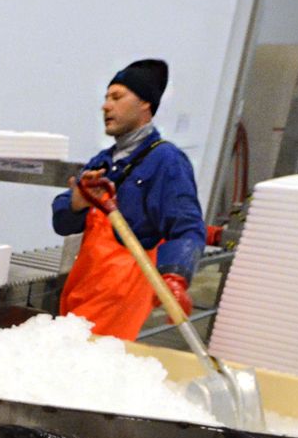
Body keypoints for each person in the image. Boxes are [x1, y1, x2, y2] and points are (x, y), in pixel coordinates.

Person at [52, 58, 207, 341]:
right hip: (84, 288)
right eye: (106, 98)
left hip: (120, 294)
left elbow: (187, 227)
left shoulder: (165, 161)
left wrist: (174, 278)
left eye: (117, 97)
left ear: (145, 104)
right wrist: (76, 202)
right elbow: (62, 222)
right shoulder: (104, 161)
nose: (106, 105)